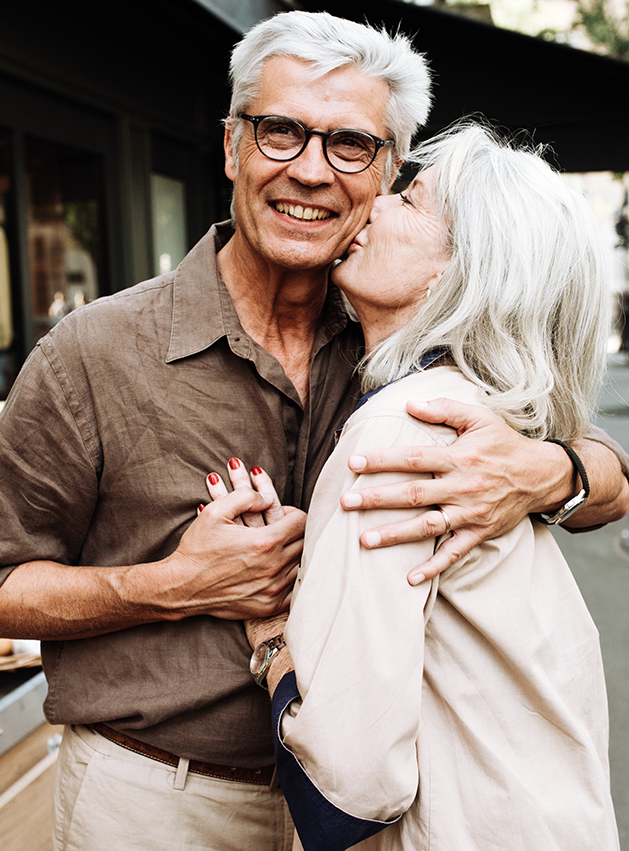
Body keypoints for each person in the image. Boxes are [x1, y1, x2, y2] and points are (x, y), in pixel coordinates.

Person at [0, 11, 625, 851]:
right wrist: (170, 585)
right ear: (230, 146)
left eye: (350, 145)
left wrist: (544, 472)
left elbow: (609, 480)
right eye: (281, 131)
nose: (311, 171)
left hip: (372, 815)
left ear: (388, 170)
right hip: (159, 796)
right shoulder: (94, 350)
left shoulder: (405, 341)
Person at [235, 122, 620, 850]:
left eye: (409, 200)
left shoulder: (399, 431)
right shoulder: (488, 416)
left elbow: (348, 784)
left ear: (460, 272)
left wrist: (268, 640)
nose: (373, 201)